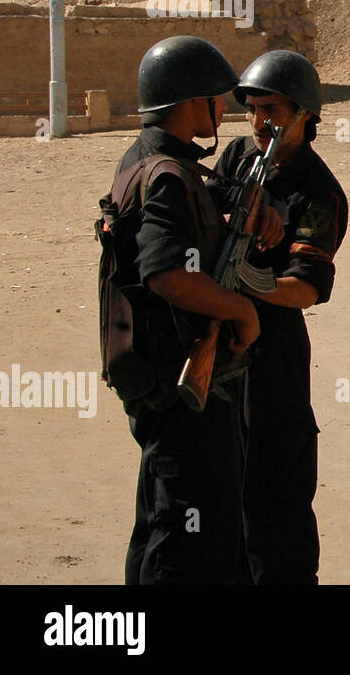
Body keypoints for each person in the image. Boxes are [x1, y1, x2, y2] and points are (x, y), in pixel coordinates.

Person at [109, 35, 274, 584]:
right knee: (185, 539)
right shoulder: (169, 177)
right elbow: (168, 274)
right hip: (178, 383)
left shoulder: (147, 161)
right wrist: (239, 312)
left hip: (159, 375)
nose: (223, 109)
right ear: (187, 103)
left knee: (165, 520)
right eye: (214, 98)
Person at [209, 50, 348, 584]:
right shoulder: (239, 159)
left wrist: (245, 281)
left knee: (277, 499)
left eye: (273, 108)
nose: (260, 120)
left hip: (274, 356)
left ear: (305, 114)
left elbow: (306, 289)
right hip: (222, 344)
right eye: (252, 108)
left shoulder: (319, 192)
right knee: (224, 494)